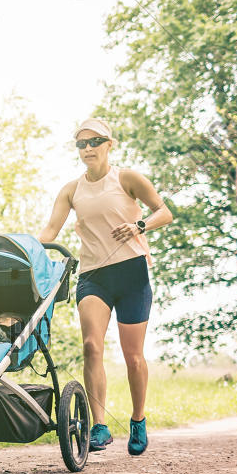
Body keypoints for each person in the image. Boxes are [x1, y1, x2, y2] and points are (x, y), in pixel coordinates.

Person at [38, 117, 173, 455]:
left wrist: (139, 225)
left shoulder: (126, 178)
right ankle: (99, 426)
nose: (88, 149)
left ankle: (138, 420)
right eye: (81, 144)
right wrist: (20, 245)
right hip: (93, 275)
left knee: (133, 357)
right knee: (91, 346)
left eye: (94, 141)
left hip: (131, 273)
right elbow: (49, 232)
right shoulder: (71, 190)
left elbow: (164, 212)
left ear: (109, 144)